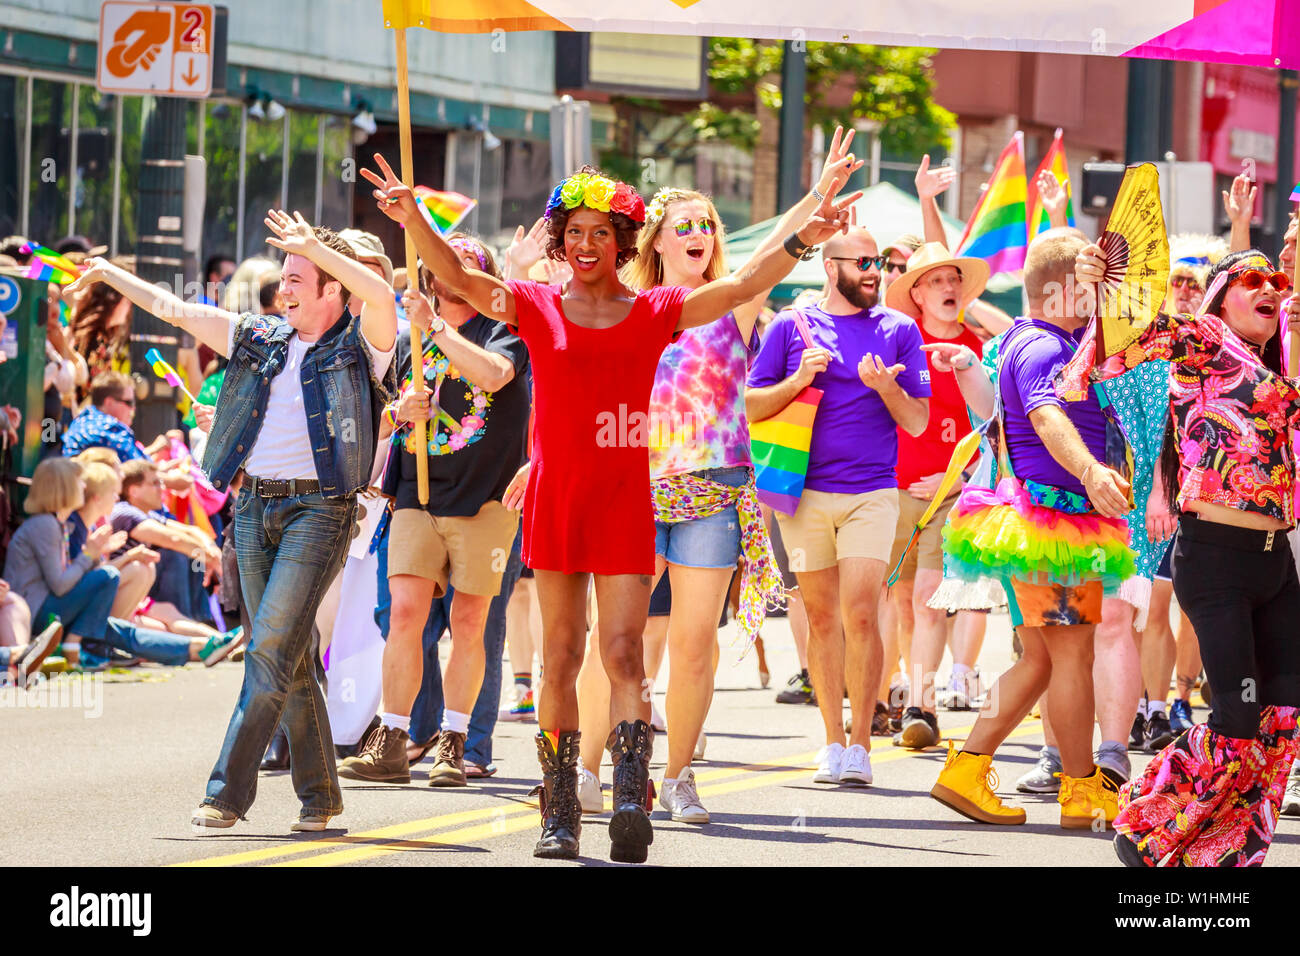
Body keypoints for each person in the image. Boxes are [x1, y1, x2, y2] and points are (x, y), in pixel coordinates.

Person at [363, 151, 855, 862]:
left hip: (628, 500)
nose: (586, 245)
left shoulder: (656, 310)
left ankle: (631, 794)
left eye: (602, 232)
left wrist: (811, 210)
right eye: (575, 233)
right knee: (560, 657)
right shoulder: (533, 305)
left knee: (624, 652)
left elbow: (746, 281)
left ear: (625, 243)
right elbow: (468, 281)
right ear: (559, 242)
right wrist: (415, 223)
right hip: (560, 500)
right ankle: (560, 807)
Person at [66, 208, 397, 833]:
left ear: (332, 288)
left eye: (300, 277)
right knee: (290, 655)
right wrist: (111, 274)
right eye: (284, 275)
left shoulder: (362, 349)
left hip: (319, 510)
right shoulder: (261, 338)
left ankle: (226, 792)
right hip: (253, 508)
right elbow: (176, 311)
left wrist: (317, 249)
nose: (285, 287)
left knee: (269, 648)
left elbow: (379, 293)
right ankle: (322, 796)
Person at [1067, 244, 1300, 866]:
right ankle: (1146, 822)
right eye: (1253, 280)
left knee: (1282, 718)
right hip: (1217, 559)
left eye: (1277, 279)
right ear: (1222, 295)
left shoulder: (1275, 365)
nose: (1271, 287)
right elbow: (1141, 330)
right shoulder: (1206, 345)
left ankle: (1223, 846)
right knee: (1237, 718)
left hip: (1277, 562)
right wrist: (1103, 288)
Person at [926, 229, 1134, 829]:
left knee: (1042, 661)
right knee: (1071, 659)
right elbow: (1045, 415)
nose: (1099, 297)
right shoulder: (1043, 347)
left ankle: (966, 770)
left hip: (1045, 520)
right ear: (1065, 288)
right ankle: (1080, 791)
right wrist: (1092, 468)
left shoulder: (1040, 340)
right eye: (1092, 285)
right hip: (1056, 523)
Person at [340, 234, 529, 787]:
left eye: (469, 263)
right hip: (417, 498)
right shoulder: (407, 340)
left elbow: (493, 376)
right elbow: (372, 422)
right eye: (447, 262)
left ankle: (454, 741)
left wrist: (439, 328)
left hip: (485, 499)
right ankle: (393, 739)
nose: (455, 270)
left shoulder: (505, 331)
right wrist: (400, 411)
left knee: (470, 623)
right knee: (404, 615)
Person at [747, 226, 931, 787]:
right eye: (863, 261)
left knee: (860, 612)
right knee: (823, 618)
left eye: (878, 260)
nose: (875, 270)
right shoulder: (789, 326)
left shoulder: (900, 330)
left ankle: (862, 744)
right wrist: (800, 377)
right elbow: (750, 406)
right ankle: (831, 740)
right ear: (831, 267)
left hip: (873, 491)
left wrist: (885, 389)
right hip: (802, 497)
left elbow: (918, 421)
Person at [880, 241, 988, 750]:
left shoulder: (980, 349)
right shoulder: (899, 340)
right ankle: (898, 695)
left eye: (954, 279)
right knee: (899, 603)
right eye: (937, 281)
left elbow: (998, 428)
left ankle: (921, 708)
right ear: (917, 293)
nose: (949, 287)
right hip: (892, 486)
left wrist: (966, 478)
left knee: (928, 600)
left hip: (953, 494)